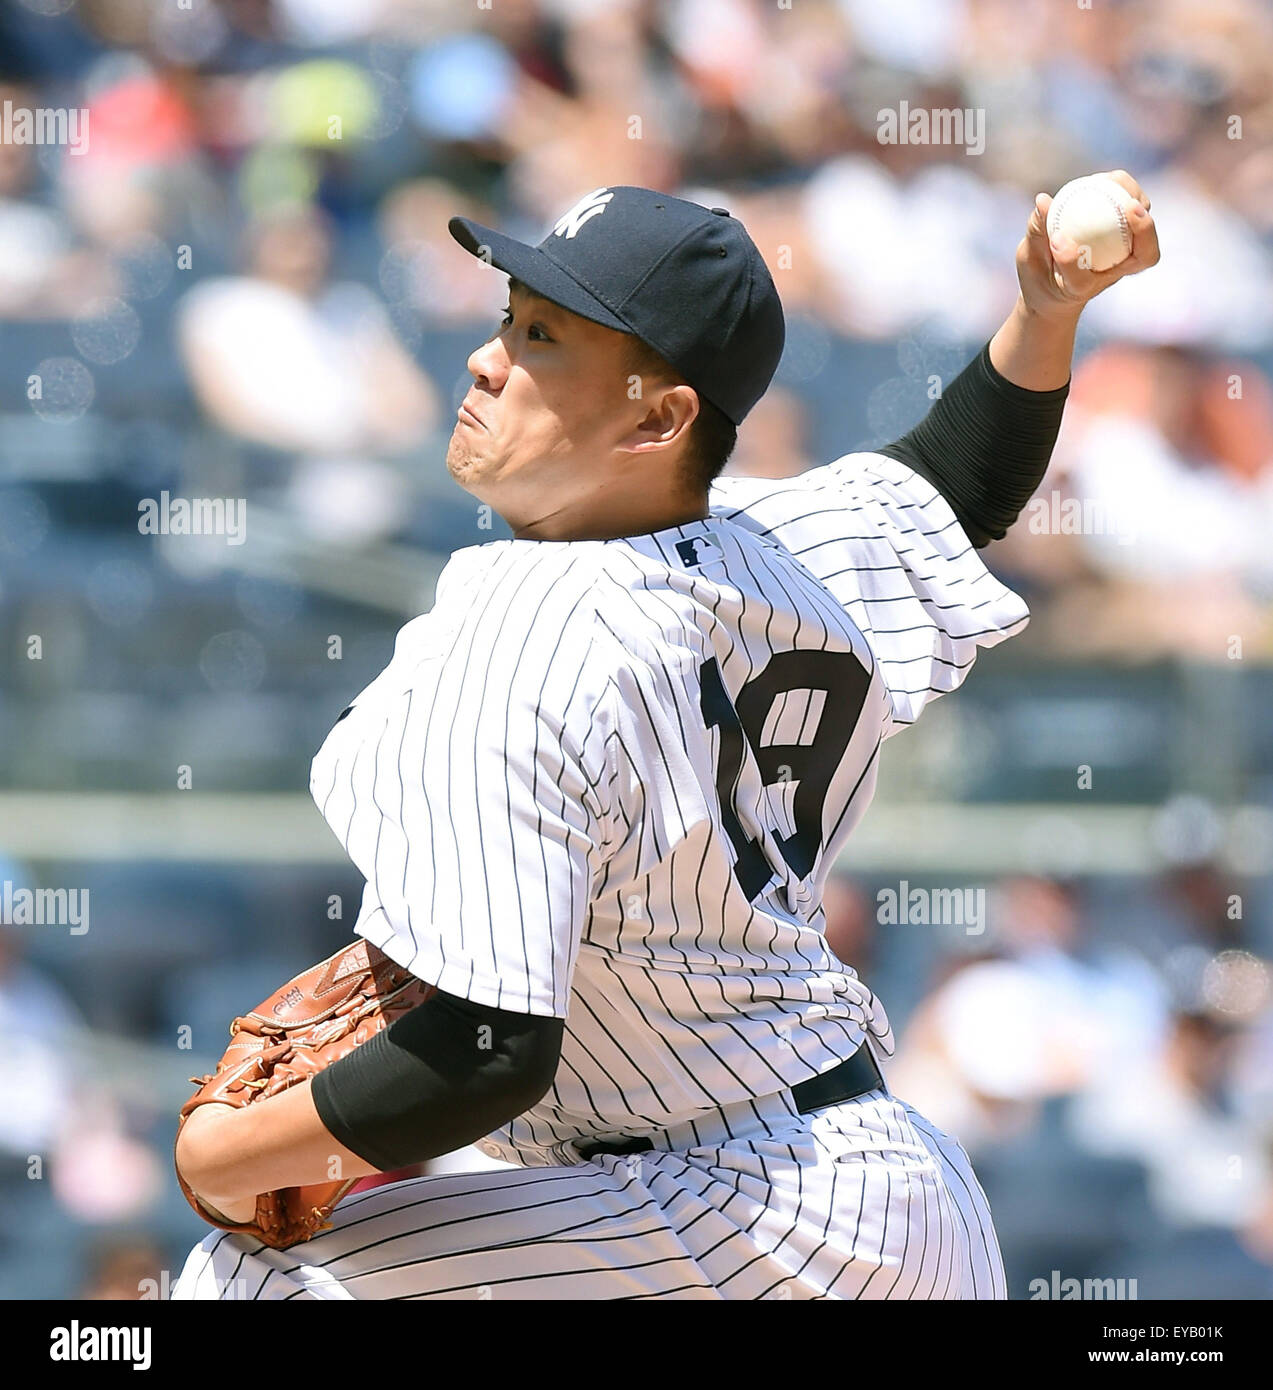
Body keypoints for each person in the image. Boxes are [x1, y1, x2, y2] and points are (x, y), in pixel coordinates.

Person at [173, 178, 1158, 1300]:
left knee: (249, 1282)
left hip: (715, 1217)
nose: (484, 361)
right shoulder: (775, 549)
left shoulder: (514, 641)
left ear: (657, 419)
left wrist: (219, 1156)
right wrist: (1044, 309)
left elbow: (487, 1050)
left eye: (542, 338)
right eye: (507, 319)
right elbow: (957, 480)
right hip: (893, 1197)